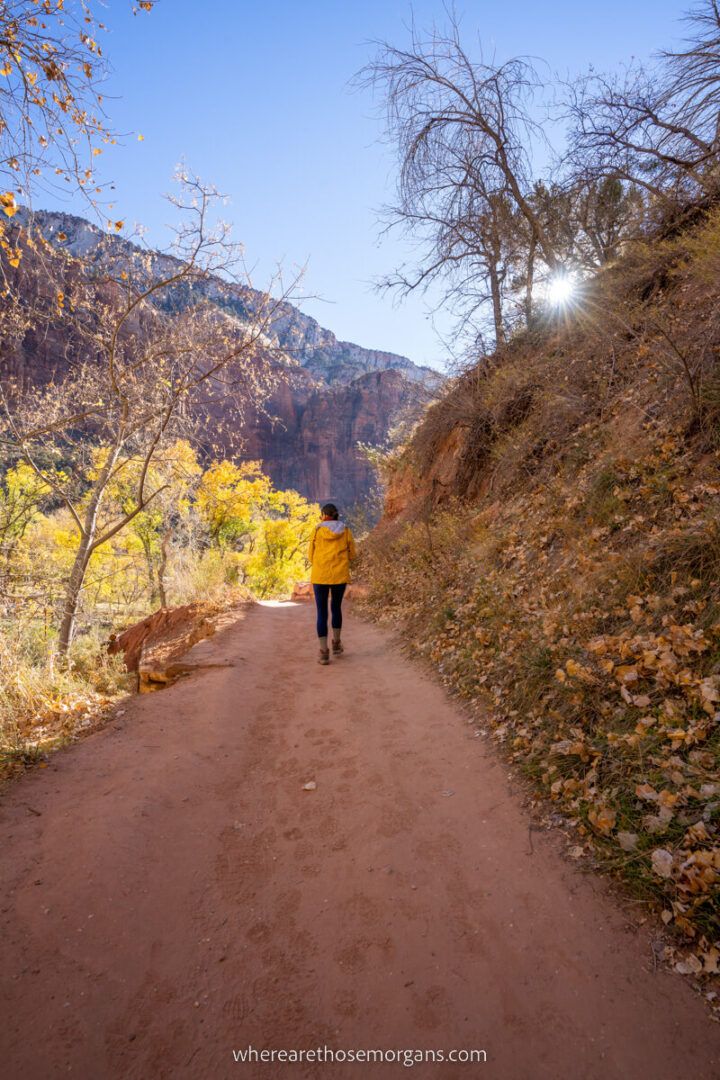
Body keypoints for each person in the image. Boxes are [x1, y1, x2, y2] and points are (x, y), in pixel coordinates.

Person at [307, 503, 356, 665]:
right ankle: (336, 644)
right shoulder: (346, 530)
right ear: (336, 515)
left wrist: (321, 563)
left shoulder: (317, 530)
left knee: (322, 613)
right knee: (336, 608)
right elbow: (353, 554)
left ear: (323, 515)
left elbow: (310, 555)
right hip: (339, 576)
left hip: (320, 576)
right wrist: (340, 561)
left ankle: (323, 653)